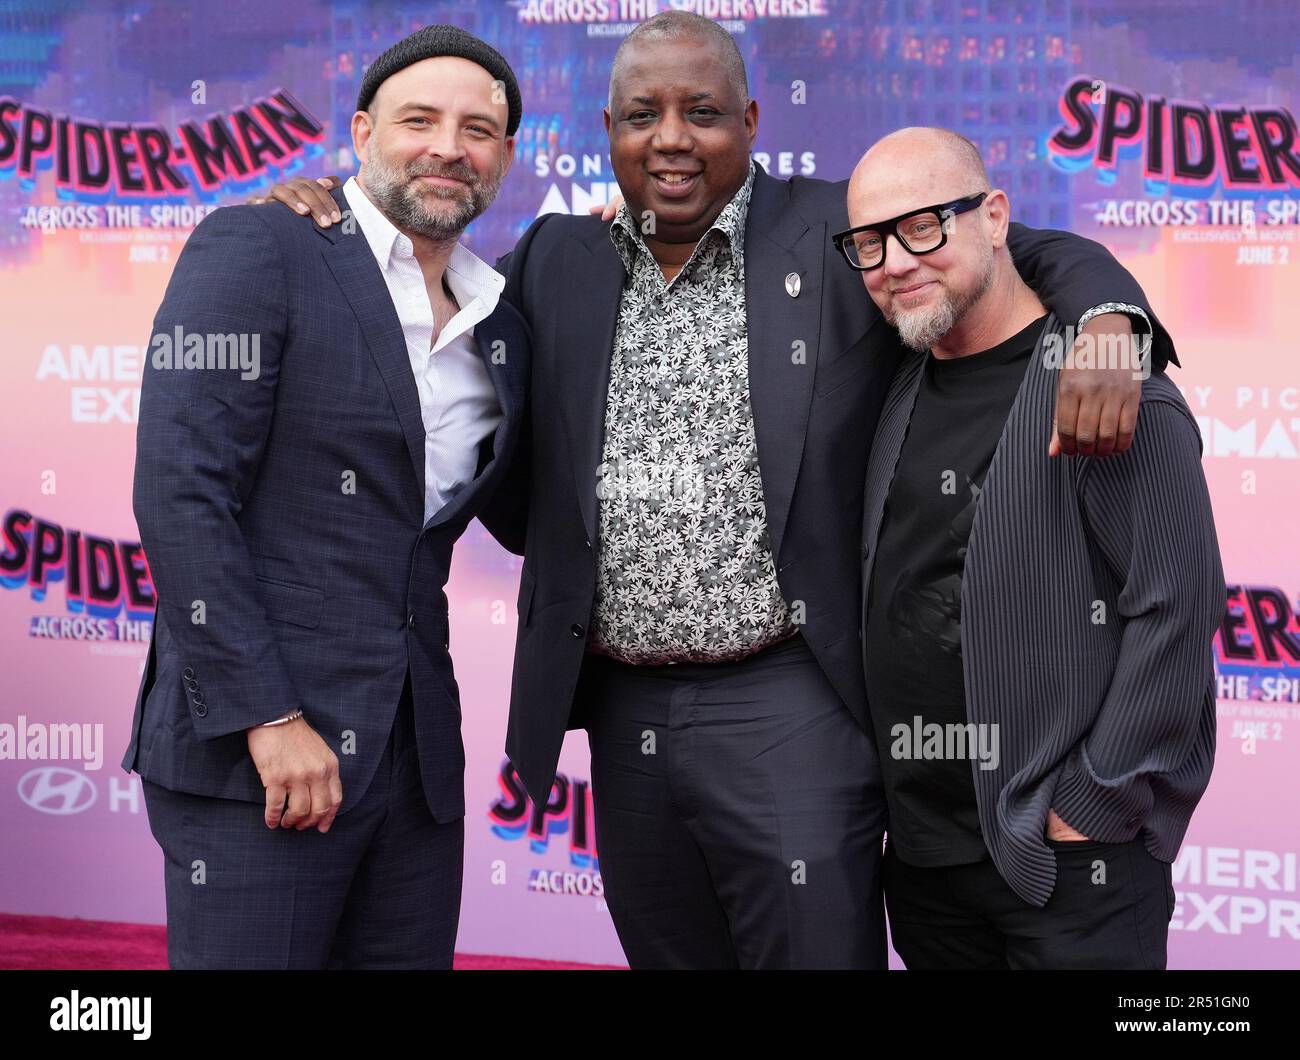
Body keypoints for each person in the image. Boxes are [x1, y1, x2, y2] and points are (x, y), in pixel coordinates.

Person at [261, 11, 1177, 970]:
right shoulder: (556, 260)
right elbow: (433, 298)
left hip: (792, 696)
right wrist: (321, 212)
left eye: (701, 112)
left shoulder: (835, 234)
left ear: (749, 121)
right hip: (621, 708)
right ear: (607, 129)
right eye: (641, 115)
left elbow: (1013, 248)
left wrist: (1111, 320)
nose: (670, 138)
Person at [121, 24, 529, 968]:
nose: (446, 146)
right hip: (257, 759)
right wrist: (266, 716)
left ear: (504, 157)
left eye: (477, 129)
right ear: (360, 132)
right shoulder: (262, 246)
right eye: (417, 119)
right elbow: (180, 493)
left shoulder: (501, 319)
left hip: (417, 769)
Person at [845, 127, 1224, 969]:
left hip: (1068, 866)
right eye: (869, 242)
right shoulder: (893, 379)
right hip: (922, 865)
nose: (895, 261)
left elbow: (1175, 609)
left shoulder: (1110, 389)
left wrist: (1093, 802)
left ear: (994, 216)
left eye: (922, 226)